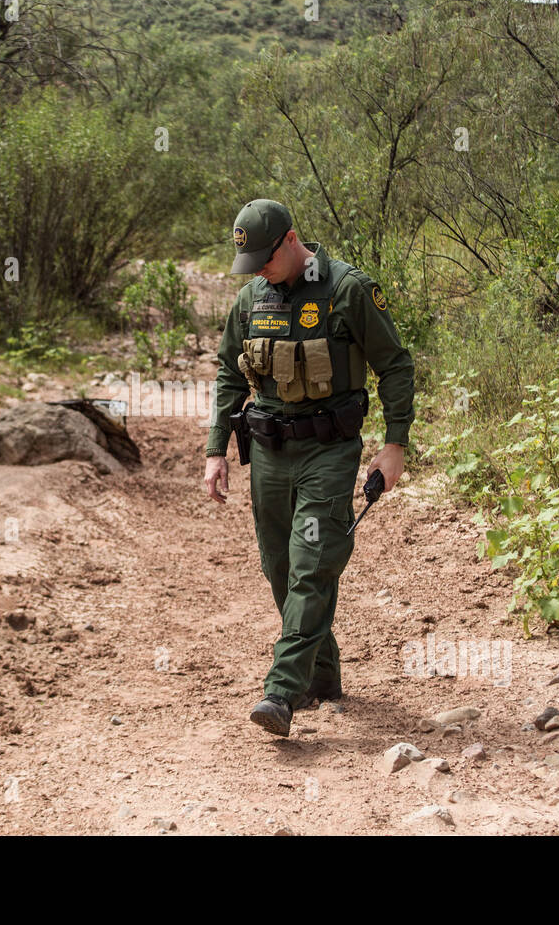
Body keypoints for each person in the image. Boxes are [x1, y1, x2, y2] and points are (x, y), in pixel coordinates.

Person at [202, 198, 415, 736]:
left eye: (267, 261)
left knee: (311, 563)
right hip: (269, 452)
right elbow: (230, 373)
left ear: (292, 240)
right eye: (251, 268)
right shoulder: (252, 297)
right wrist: (215, 449)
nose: (260, 274)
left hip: (328, 449)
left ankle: (282, 691)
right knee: (279, 568)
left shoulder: (348, 290)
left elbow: (394, 365)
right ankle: (322, 675)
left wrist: (395, 445)